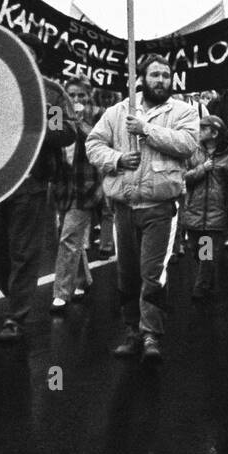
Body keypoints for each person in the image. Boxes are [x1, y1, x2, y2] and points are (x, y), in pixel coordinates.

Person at [87, 54, 199, 359]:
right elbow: (93, 145)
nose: (161, 80)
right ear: (142, 79)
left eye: (165, 75)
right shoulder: (118, 111)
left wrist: (147, 131)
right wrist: (118, 159)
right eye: (155, 75)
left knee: (153, 272)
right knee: (127, 274)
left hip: (160, 207)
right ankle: (131, 331)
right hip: (124, 206)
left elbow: (188, 145)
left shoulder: (183, 112)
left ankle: (151, 334)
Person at [0, 35, 76, 343]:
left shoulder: (50, 93)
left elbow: (65, 132)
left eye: (26, 52)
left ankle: (16, 316)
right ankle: (18, 293)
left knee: (24, 252)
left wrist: (33, 120)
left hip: (30, 182)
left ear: (35, 57)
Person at [50, 78, 103, 310]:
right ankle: (82, 279)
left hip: (85, 187)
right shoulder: (56, 114)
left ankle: (61, 293)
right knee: (68, 236)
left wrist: (78, 123)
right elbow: (50, 142)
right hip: (61, 187)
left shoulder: (97, 117)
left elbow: (99, 144)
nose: (77, 99)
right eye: (72, 95)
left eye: (82, 95)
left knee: (69, 237)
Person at [181, 114, 228, 303]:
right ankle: (207, 277)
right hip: (194, 210)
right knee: (195, 249)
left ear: (215, 133)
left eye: (203, 128)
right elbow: (184, 176)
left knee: (205, 251)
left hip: (214, 213)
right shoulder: (194, 152)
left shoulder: (227, 154)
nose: (199, 131)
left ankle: (200, 287)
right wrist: (202, 169)